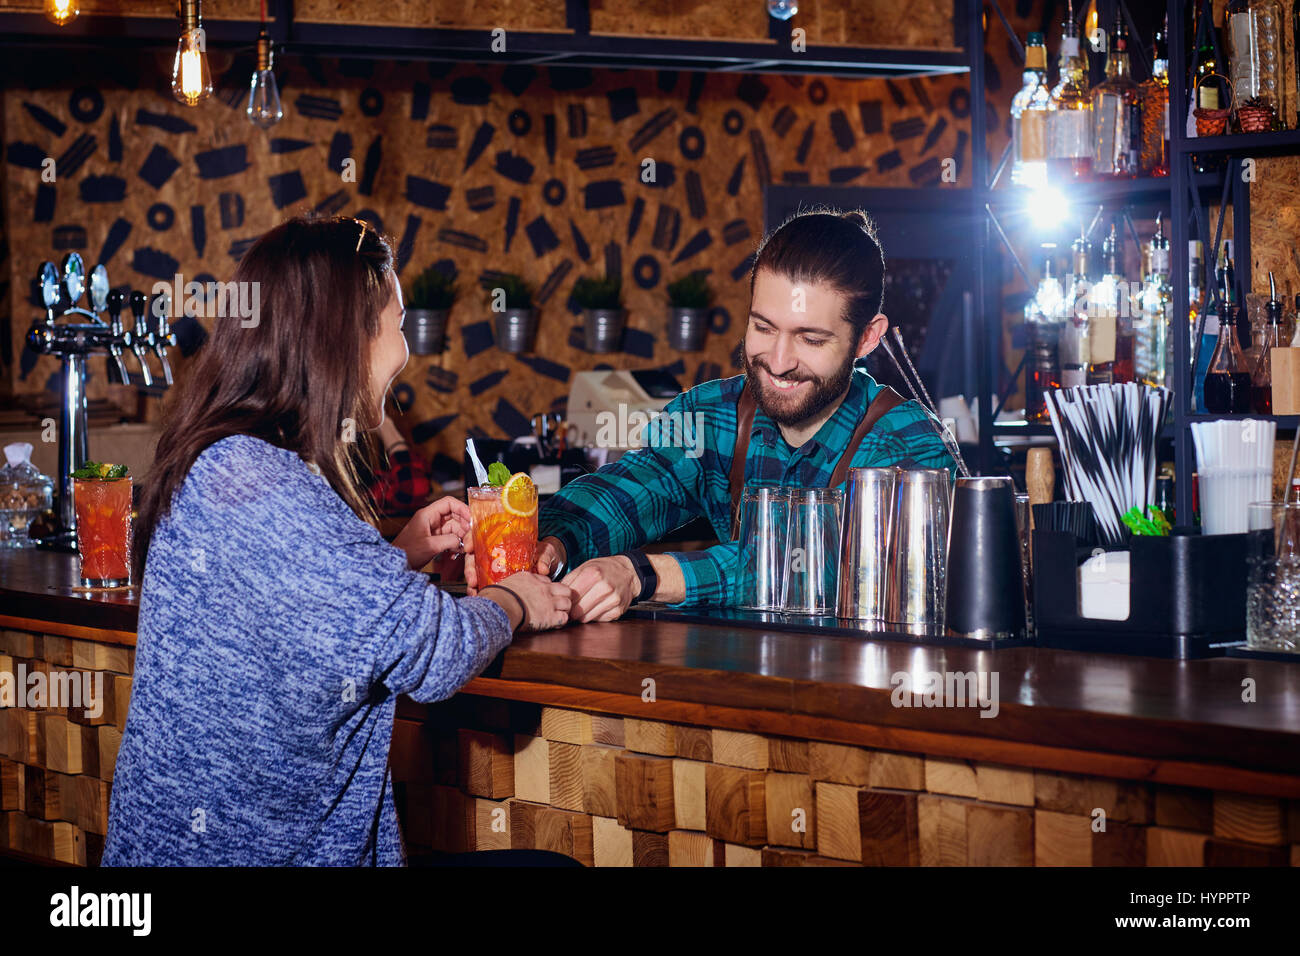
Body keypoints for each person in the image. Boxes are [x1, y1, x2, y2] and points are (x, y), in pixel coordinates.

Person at [102, 217, 571, 866]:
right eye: (398, 325)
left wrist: (399, 553)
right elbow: (434, 653)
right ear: (347, 336)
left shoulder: (228, 459)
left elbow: (293, 601)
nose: (407, 352)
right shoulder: (261, 481)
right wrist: (516, 598)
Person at [526, 208, 957, 620]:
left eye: (810, 338)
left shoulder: (907, 440)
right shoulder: (712, 417)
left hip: (861, 689)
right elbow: (628, 490)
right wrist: (550, 542)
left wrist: (643, 575)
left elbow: (824, 565)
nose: (779, 360)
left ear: (867, 338)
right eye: (764, 328)